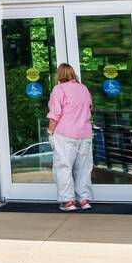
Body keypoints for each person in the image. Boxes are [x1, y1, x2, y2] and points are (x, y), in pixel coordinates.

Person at [47, 63, 93, 211]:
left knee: (63, 168)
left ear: (59, 75)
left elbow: (55, 114)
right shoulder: (84, 88)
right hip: (84, 134)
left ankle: (68, 202)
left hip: (65, 134)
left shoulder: (59, 89)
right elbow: (90, 108)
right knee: (83, 169)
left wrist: (50, 132)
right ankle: (84, 200)